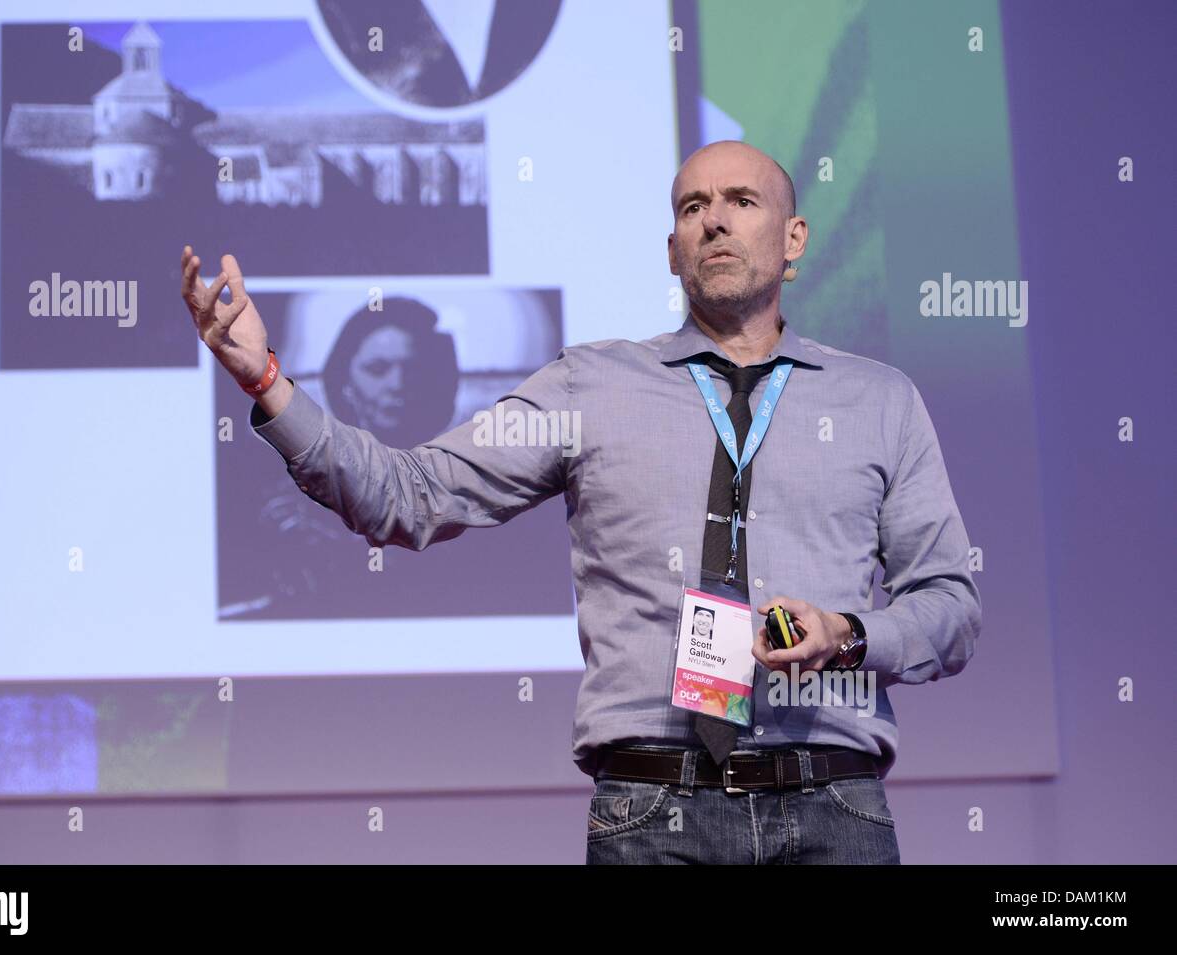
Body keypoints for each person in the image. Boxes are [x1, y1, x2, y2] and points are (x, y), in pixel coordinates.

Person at [180, 139, 981, 865]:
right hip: (651, 806)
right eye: (692, 208)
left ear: (794, 239)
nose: (714, 223)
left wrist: (847, 634)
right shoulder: (590, 385)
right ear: (673, 252)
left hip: (832, 803)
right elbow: (411, 495)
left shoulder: (879, 399)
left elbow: (950, 605)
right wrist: (266, 380)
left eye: (742, 201)